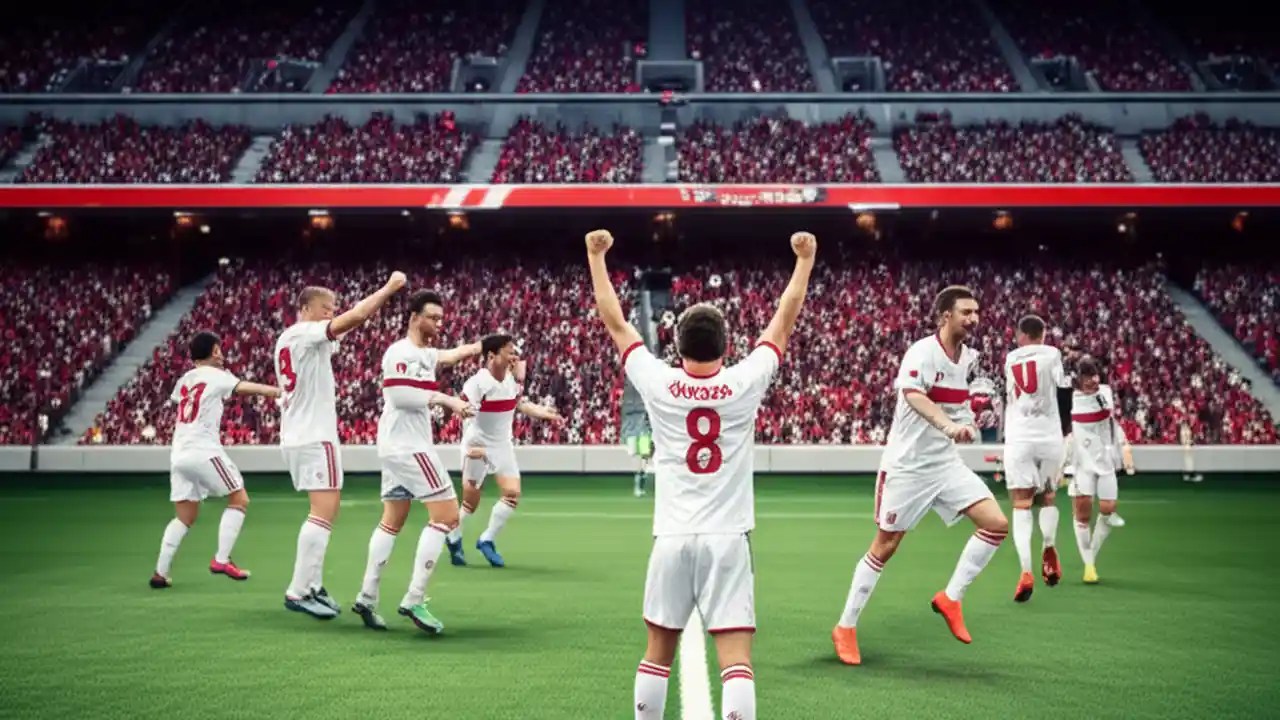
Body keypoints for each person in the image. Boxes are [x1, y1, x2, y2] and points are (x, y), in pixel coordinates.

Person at [588, 227, 816, 720]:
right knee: (735, 662)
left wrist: (597, 256)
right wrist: (804, 259)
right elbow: (782, 322)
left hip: (671, 534)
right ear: (727, 345)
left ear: (675, 343)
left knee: (657, 654)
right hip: (727, 537)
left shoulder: (659, 380)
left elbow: (616, 322)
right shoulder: (743, 381)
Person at [832, 285, 1010, 666]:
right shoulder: (922, 352)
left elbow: (963, 406)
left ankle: (951, 598)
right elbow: (915, 396)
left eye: (976, 311)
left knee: (996, 524)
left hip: (944, 465)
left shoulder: (971, 359)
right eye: (966, 312)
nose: (974, 318)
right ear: (945, 315)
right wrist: (949, 426)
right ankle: (845, 626)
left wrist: (975, 417)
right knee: (885, 546)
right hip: (907, 467)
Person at [275, 272, 406, 619]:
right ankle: (299, 590)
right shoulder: (304, 333)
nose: (331, 314)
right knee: (323, 512)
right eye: (324, 309)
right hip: (314, 435)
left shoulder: (290, 339)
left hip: (297, 433)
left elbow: (347, 326)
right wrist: (389, 288)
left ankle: (312, 585)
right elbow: (356, 317)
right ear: (304, 309)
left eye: (333, 308)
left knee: (324, 512)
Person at [351, 290, 480, 633]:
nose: (439, 323)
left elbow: (452, 355)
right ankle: (414, 597)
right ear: (413, 317)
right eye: (432, 318)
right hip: (409, 446)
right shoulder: (400, 352)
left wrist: (486, 345)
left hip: (396, 446)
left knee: (393, 517)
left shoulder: (426, 353)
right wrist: (448, 400)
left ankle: (367, 595)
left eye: (441, 318)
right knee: (448, 515)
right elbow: (399, 395)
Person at [151, 331, 281, 589]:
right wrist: (277, 392)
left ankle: (160, 572)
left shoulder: (185, 379)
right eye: (219, 350)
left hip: (178, 453)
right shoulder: (218, 376)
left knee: (184, 516)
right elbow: (245, 387)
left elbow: (184, 401)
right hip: (203, 449)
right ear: (213, 352)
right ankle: (221, 559)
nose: (222, 355)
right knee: (239, 498)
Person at [445, 334, 565, 567]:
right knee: (471, 503)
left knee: (512, 493)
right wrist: (469, 444)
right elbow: (461, 409)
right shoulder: (477, 383)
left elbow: (519, 403)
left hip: (502, 444)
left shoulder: (511, 379)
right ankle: (453, 538)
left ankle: (486, 539)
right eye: (509, 352)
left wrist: (543, 412)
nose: (514, 356)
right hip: (477, 445)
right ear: (492, 355)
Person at [1001, 315, 1072, 602]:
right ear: (1042, 334)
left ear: (1021, 335)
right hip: (1049, 436)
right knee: (1049, 497)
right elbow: (1064, 388)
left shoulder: (1010, 359)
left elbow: (1010, 397)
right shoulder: (1052, 353)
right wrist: (1066, 429)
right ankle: (1049, 545)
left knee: (1021, 504)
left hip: (1019, 437)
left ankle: (1026, 570)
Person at [1067, 357, 1135, 584]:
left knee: (1107, 508)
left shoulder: (1105, 392)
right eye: (1087, 376)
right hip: (1082, 462)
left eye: (1095, 375)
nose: (1093, 380)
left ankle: (1091, 558)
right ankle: (1089, 565)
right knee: (1083, 514)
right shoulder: (1072, 397)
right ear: (1078, 379)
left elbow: (1105, 414)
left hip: (1105, 460)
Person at [621, 378, 655, 497]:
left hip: (644, 434)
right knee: (644, 460)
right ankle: (639, 486)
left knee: (644, 460)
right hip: (644, 435)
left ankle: (640, 486)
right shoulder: (646, 410)